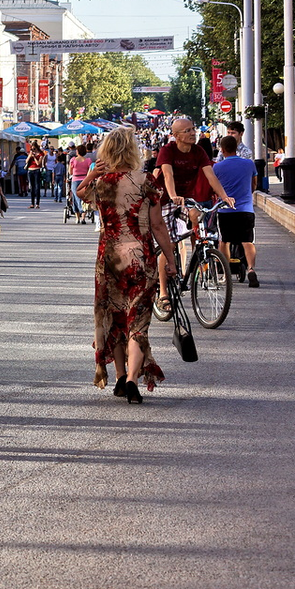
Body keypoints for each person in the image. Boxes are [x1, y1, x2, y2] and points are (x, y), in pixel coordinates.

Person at [75, 127, 177, 405]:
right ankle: (132, 378)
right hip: (140, 257)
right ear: (133, 150)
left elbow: (80, 194)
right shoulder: (147, 181)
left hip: (109, 258)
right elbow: (157, 225)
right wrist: (169, 258)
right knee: (138, 321)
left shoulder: (102, 182)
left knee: (115, 317)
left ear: (107, 151)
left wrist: (93, 174)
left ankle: (120, 375)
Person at [155, 117, 235, 309]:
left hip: (187, 199)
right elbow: (167, 174)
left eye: (193, 129)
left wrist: (224, 196)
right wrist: (173, 195)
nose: (193, 133)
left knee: (196, 215)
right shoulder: (168, 151)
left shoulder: (198, 151)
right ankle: (163, 293)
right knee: (169, 245)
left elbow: (211, 175)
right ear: (176, 136)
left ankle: (200, 251)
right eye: (188, 131)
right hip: (165, 199)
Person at [213, 134, 260, 288]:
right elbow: (254, 184)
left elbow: (215, 188)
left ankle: (226, 272)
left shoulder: (217, 167)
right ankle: (251, 269)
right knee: (247, 241)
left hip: (225, 210)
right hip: (246, 209)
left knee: (224, 241)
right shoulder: (248, 164)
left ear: (222, 149)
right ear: (236, 148)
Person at [68, 144, 93, 224]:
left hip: (75, 179)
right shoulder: (88, 160)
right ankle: (83, 217)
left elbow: (70, 172)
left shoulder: (73, 160)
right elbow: (90, 171)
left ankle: (77, 217)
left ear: (77, 151)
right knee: (84, 197)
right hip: (84, 179)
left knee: (76, 197)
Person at [26, 142, 44, 208]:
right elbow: (26, 161)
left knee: (37, 187)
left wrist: (34, 157)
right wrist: (30, 155)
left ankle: (37, 203)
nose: (33, 149)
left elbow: (38, 163)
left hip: (37, 170)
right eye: (32, 148)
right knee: (32, 187)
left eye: (34, 148)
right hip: (30, 170)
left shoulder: (41, 153)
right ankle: (32, 203)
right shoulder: (31, 153)